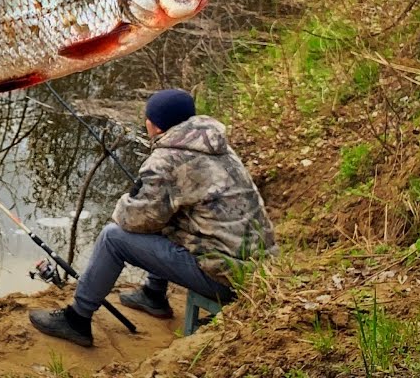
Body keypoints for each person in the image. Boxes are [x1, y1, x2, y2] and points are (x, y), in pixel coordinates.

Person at [29, 89, 277, 347]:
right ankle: (153, 295)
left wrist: (128, 199)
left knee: (112, 238)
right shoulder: (216, 145)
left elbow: (134, 221)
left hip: (227, 278)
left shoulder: (166, 160)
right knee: (168, 215)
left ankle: (77, 319)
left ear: (154, 124)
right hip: (260, 268)